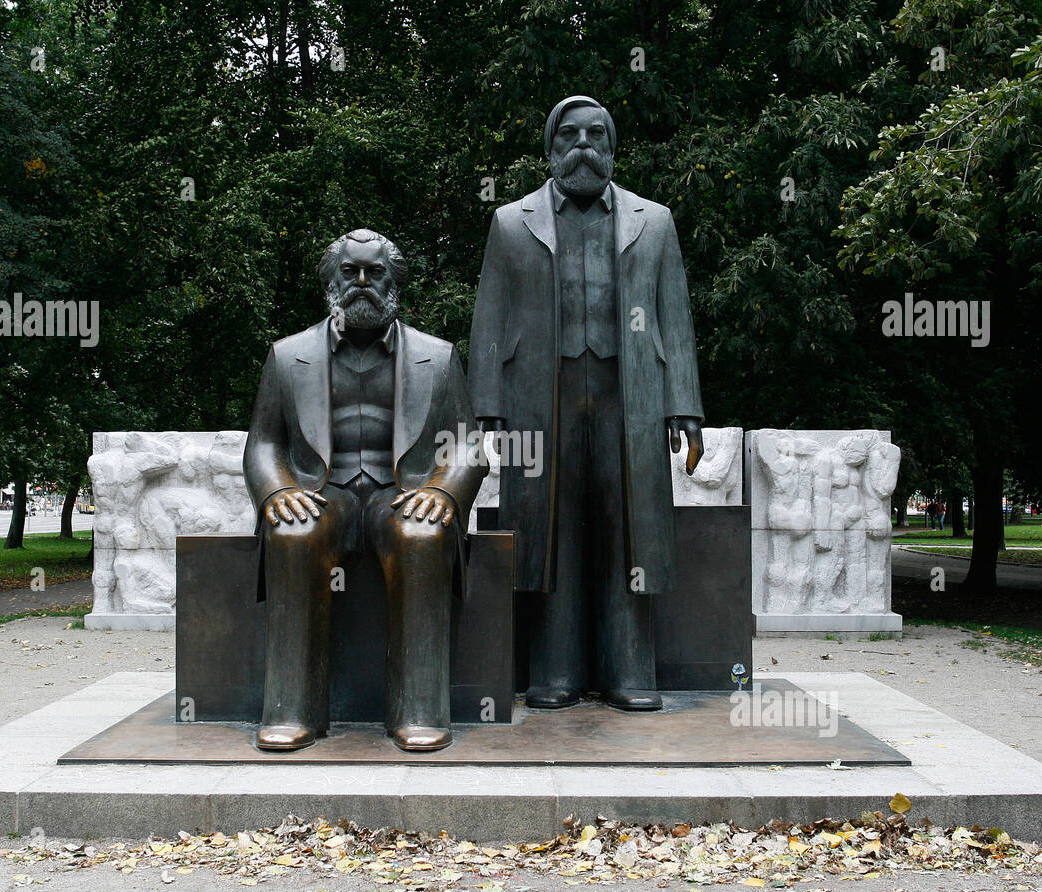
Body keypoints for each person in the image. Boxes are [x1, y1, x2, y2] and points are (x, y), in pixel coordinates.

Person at [468, 95, 705, 711]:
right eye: (569, 135)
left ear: (612, 148)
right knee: (550, 532)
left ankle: (630, 670)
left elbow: (673, 318)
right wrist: (485, 409)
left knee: (629, 529)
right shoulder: (510, 222)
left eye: (595, 134)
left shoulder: (654, 221)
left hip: (632, 398)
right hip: (538, 398)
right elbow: (490, 315)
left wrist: (686, 407)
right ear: (549, 150)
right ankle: (555, 672)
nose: (583, 145)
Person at [244, 228, 486, 752]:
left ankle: (418, 710)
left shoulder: (438, 357)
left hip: (399, 493)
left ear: (393, 281)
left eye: (374, 272)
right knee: (294, 529)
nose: (360, 283)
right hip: (321, 491)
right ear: (330, 282)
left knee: (422, 533)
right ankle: (292, 710)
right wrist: (276, 492)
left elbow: (467, 447)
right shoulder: (287, 357)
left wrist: (444, 492)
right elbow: (263, 445)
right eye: (348, 272)